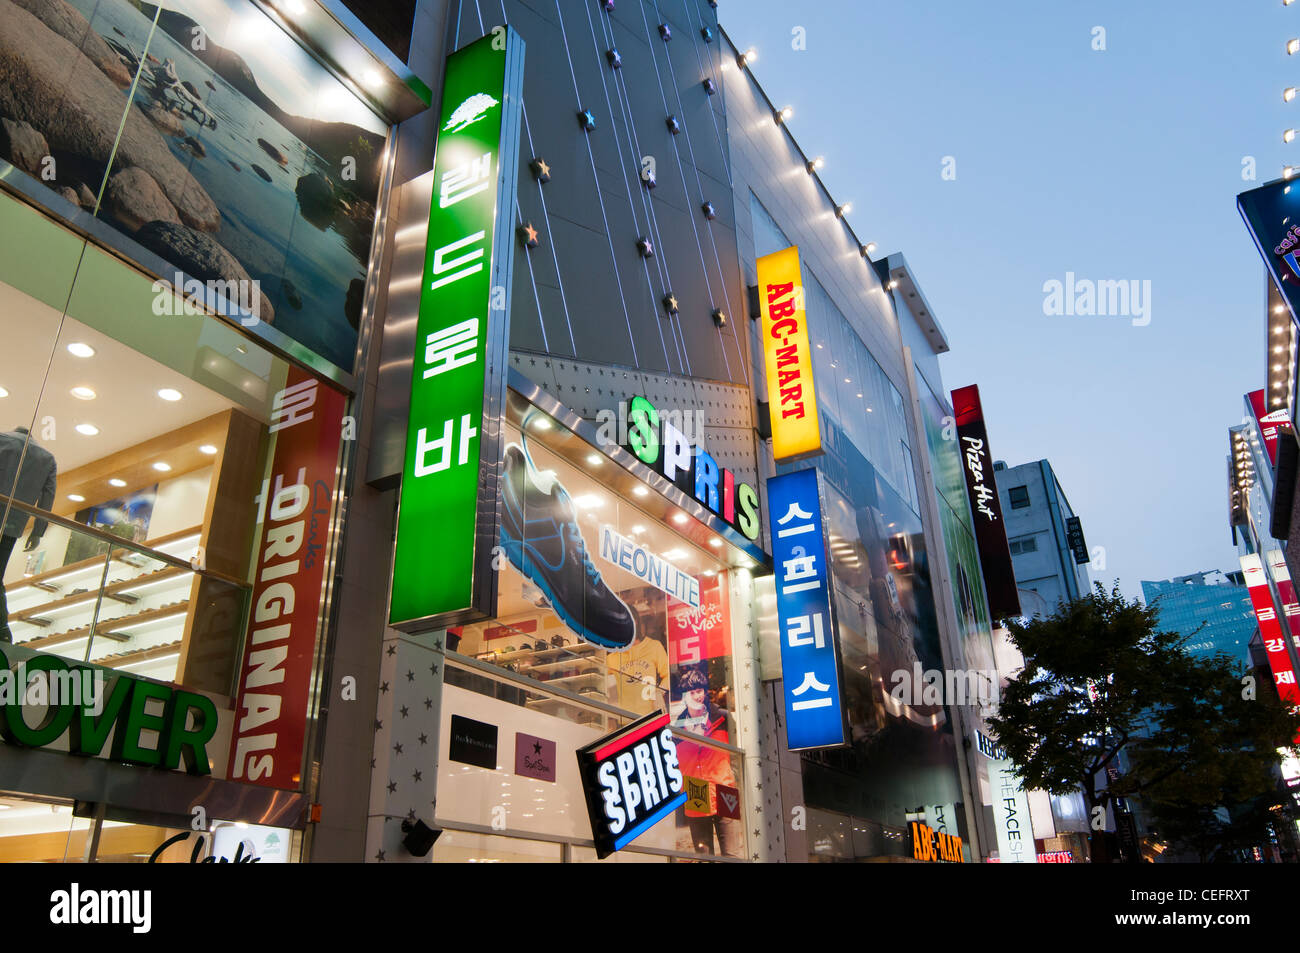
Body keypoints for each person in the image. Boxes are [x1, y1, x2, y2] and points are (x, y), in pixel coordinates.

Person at [671, 666, 742, 858]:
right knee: (704, 856)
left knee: (732, 854)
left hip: (724, 788)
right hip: (695, 790)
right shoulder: (677, 729)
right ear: (685, 696)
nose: (696, 696)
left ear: (705, 692)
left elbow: (737, 753)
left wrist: (732, 776)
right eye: (691, 692)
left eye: (699, 691)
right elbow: (673, 764)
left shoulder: (723, 718)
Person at [0, 427, 57, 642]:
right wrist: (38, 531)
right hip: (12, 525)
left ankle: (2, 629)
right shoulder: (47, 458)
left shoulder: (2, 439)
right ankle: (2, 630)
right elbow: (47, 497)